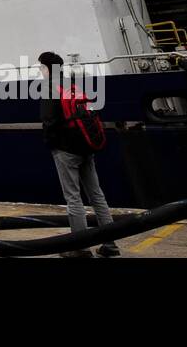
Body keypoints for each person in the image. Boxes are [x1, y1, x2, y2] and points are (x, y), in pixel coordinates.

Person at [38, 52, 119, 258]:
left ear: (47, 68)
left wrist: (51, 144)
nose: (39, 69)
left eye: (40, 66)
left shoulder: (49, 87)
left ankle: (80, 247)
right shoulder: (72, 82)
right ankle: (110, 244)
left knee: (73, 198)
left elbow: (49, 121)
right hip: (86, 146)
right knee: (97, 194)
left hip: (65, 150)